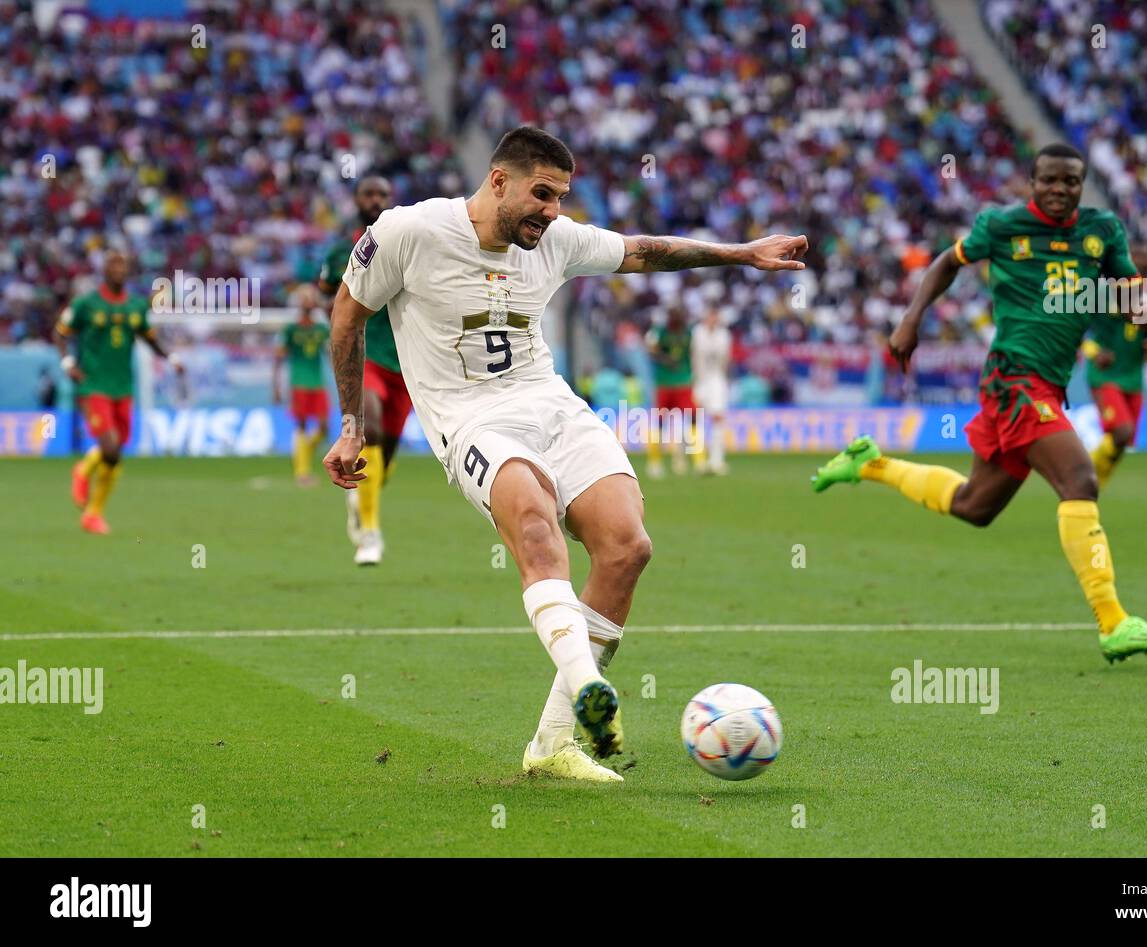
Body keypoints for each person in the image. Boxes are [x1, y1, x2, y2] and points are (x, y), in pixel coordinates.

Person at [322, 126, 807, 780]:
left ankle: (553, 744)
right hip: (470, 420)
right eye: (542, 194)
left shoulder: (555, 240)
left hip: (550, 403)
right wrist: (351, 424)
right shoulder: (410, 231)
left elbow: (646, 251)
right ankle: (587, 687)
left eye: (561, 197)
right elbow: (347, 314)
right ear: (499, 182)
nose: (553, 211)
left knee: (627, 544)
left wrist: (743, 254)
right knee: (533, 518)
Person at [811, 143, 1147, 664]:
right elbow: (947, 261)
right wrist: (911, 318)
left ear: (1081, 185)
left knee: (974, 506)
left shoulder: (1102, 232)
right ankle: (1114, 622)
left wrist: (1142, 311)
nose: (1059, 190)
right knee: (1080, 481)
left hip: (1048, 384)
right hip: (1014, 379)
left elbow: (1127, 288)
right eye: (1049, 180)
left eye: (1070, 182)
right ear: (1032, 183)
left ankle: (870, 464)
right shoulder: (1002, 227)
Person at [54, 250, 185, 534]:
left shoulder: (135, 307)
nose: (119, 269)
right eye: (113, 264)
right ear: (104, 270)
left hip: (123, 387)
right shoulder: (86, 304)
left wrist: (171, 358)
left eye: (123, 265)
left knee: (115, 456)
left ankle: (92, 512)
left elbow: (149, 339)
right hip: (93, 385)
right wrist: (68, 363)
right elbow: (61, 333)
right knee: (110, 448)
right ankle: (84, 473)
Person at [319, 176, 408, 564]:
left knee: (384, 457)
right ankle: (370, 535)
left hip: (406, 361)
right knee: (367, 425)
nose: (375, 200)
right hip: (367, 356)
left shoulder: (408, 245)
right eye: (369, 194)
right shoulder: (342, 250)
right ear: (356, 201)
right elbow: (327, 293)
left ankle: (362, 499)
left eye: (382, 194)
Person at [1083, 243, 1147, 488]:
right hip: (1104, 375)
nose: (1139, 270)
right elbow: (1074, 330)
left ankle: (1092, 483)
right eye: (1134, 266)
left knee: (1126, 441)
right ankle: (1083, 474)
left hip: (1134, 375)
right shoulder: (1100, 294)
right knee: (1122, 432)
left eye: (1144, 267)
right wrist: (1094, 351)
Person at [274, 285, 331, 486]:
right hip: (298, 383)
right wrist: (276, 387)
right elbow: (278, 358)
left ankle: (304, 453)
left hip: (318, 383)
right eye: (304, 297)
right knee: (301, 426)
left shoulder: (322, 329)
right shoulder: (291, 329)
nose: (308, 300)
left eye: (311, 297)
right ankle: (302, 472)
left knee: (324, 427)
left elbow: (330, 354)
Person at [644, 309, 703, 477]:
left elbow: (694, 352)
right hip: (664, 382)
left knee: (693, 417)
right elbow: (651, 350)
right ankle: (654, 462)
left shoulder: (689, 333)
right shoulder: (660, 332)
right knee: (661, 422)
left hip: (684, 381)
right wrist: (665, 358)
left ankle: (698, 460)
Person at [691, 307, 732, 474]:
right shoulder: (697, 333)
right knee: (694, 419)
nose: (712, 320)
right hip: (698, 379)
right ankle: (696, 459)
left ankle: (716, 460)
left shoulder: (724, 335)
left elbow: (725, 359)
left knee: (717, 418)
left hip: (716, 379)